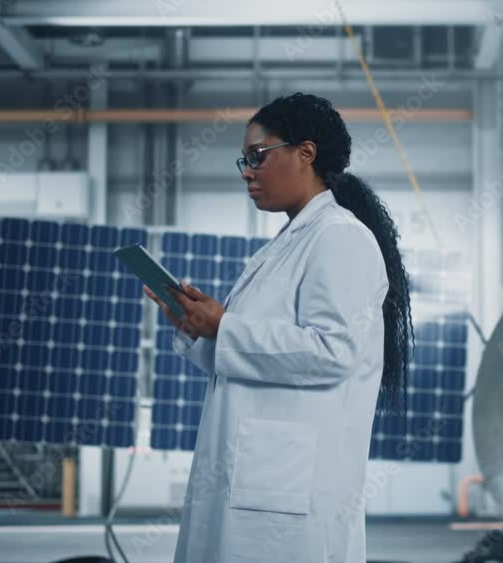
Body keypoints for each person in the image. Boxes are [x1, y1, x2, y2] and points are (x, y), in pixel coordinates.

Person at [143, 93, 413, 563]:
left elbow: (332, 352)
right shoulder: (285, 246)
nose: (247, 171)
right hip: (256, 478)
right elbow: (251, 359)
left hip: (288, 487)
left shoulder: (339, 237)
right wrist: (199, 327)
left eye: (257, 157)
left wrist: (225, 327)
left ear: (305, 153)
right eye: (243, 161)